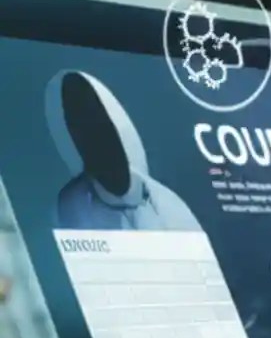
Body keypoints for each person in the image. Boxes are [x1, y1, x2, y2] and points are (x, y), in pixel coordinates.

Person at [45, 71, 201, 232]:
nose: (97, 137)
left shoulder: (170, 206)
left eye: (102, 123)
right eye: (82, 125)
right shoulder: (69, 208)